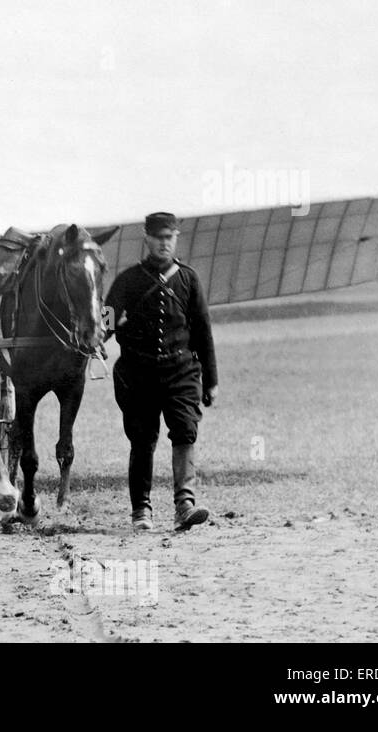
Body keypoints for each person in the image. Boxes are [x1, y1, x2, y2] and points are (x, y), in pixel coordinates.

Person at [103, 212, 218, 532]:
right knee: (142, 440)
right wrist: (97, 337)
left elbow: (203, 330)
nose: (164, 243)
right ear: (147, 239)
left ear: (176, 238)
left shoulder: (189, 279)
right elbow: (106, 320)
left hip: (181, 370)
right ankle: (141, 510)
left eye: (170, 237)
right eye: (158, 237)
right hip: (138, 374)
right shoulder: (128, 280)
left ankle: (185, 503)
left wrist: (212, 380)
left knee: (185, 431)